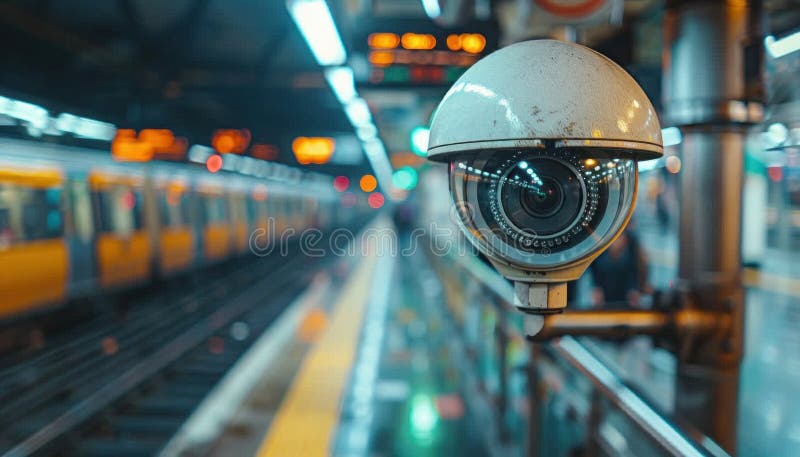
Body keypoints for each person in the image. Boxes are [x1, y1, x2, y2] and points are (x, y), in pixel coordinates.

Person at [588, 229, 649, 309]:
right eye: (614, 239)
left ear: (625, 239)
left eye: (619, 238)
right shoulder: (599, 255)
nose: (616, 242)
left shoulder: (632, 253)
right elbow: (594, 272)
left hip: (625, 298)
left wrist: (634, 290)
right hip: (605, 296)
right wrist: (596, 288)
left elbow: (635, 273)